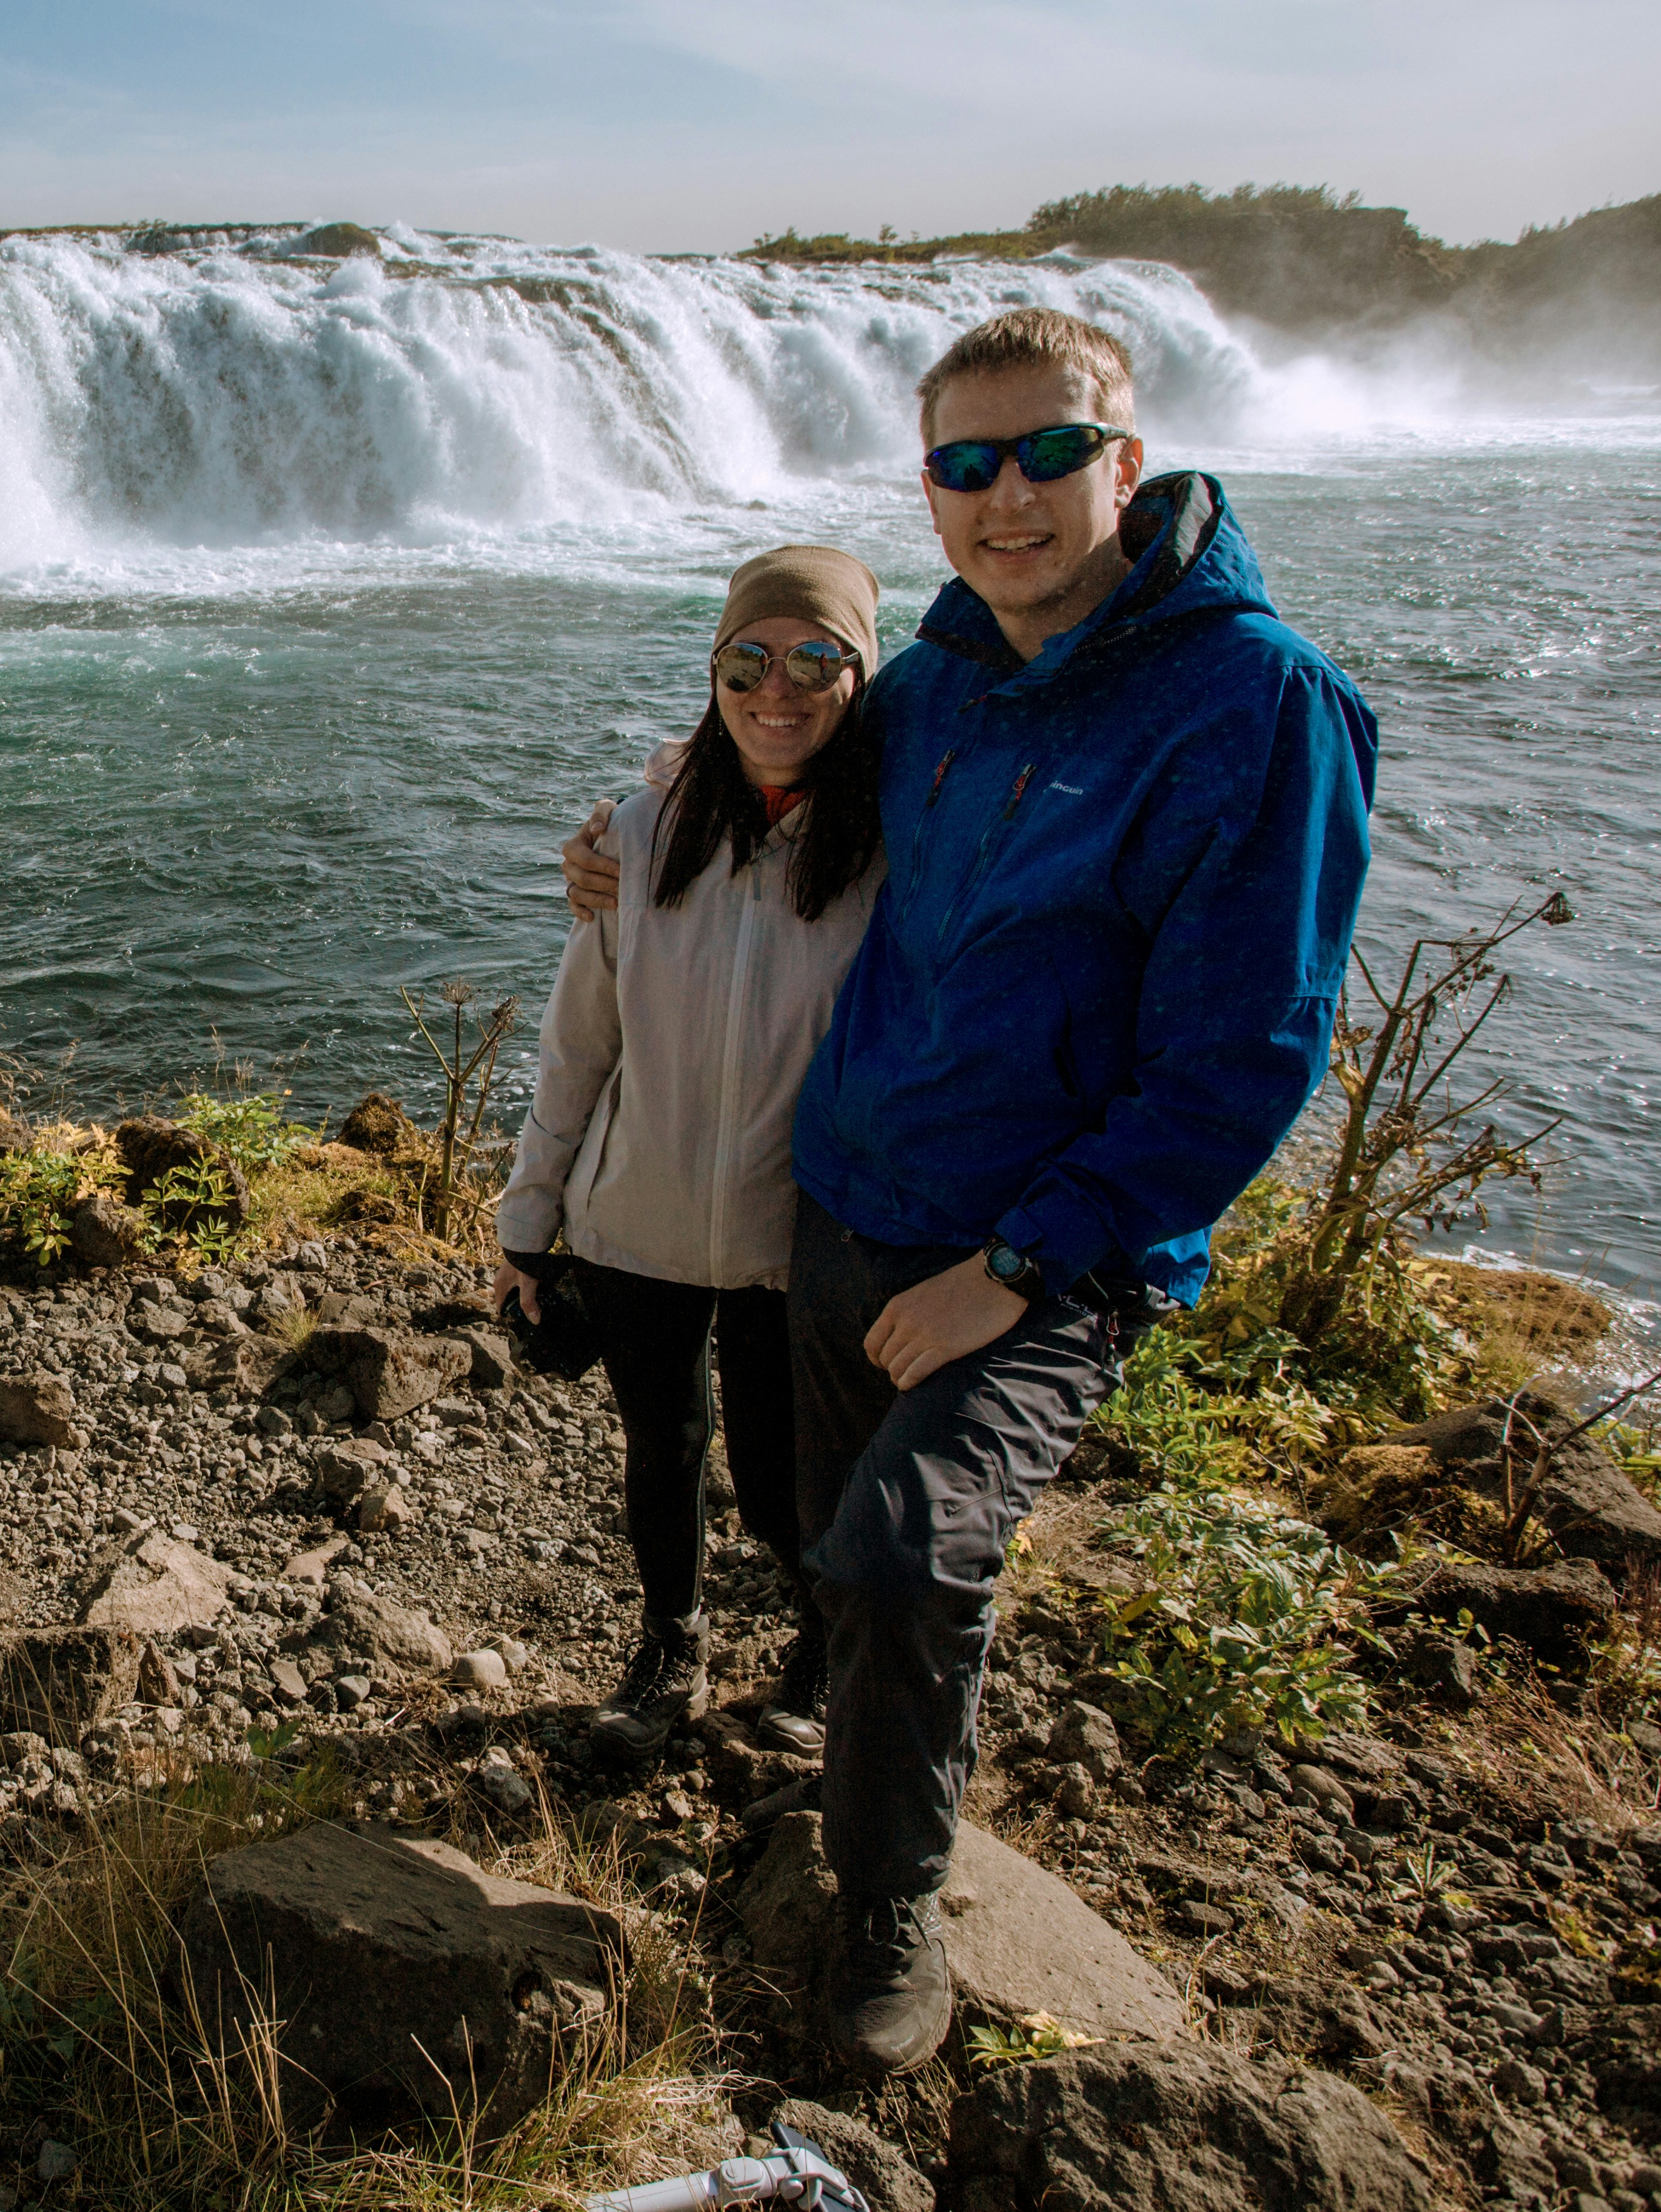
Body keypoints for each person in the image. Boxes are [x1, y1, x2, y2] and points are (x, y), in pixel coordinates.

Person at [562, 307, 1376, 2074]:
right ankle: (850, 1786)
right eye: (963, 463)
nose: (1007, 497)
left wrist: (1021, 1266)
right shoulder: (929, 679)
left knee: (910, 1550)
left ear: (1127, 463)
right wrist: (625, 838)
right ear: (928, 490)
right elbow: (768, 748)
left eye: (1047, 454)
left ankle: (891, 1913)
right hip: (845, 1209)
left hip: (1037, 1253)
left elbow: (1244, 1060)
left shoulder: (1257, 706)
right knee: (845, 1569)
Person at [494, 546, 888, 1770]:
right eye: (749, 660)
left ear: (863, 674)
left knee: (782, 1483)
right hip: (636, 1222)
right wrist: (527, 1220)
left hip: (794, 1232)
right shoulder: (643, 831)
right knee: (659, 1457)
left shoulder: (898, 850)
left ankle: (822, 1646)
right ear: (713, 674)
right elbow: (578, 1045)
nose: (781, 687)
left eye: (818, 658)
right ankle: (673, 1644)